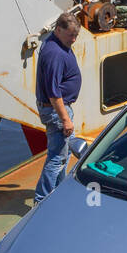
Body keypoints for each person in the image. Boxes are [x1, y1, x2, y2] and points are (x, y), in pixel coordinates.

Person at [34, 12, 83, 203]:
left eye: (76, 35)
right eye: (70, 35)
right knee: (56, 158)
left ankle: (59, 193)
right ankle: (41, 200)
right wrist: (65, 119)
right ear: (58, 29)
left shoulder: (59, 43)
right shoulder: (54, 53)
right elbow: (54, 92)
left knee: (66, 151)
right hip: (57, 111)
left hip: (60, 110)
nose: (74, 39)